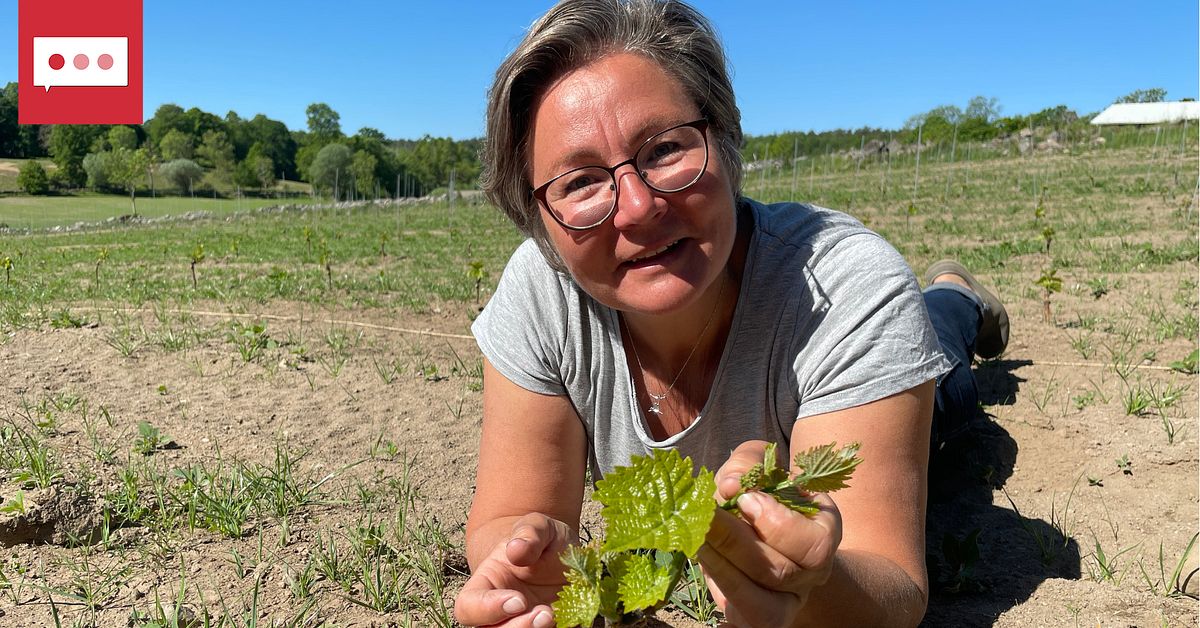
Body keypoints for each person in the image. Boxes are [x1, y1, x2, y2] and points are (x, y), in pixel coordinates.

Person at [453, 1, 1009, 626]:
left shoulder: (850, 288)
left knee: (945, 357)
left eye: (665, 148)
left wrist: (814, 583)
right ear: (539, 223)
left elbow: (891, 584)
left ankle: (959, 297)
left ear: (725, 137)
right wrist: (523, 567)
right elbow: (509, 516)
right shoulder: (540, 296)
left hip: (898, 392)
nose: (636, 207)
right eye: (580, 182)